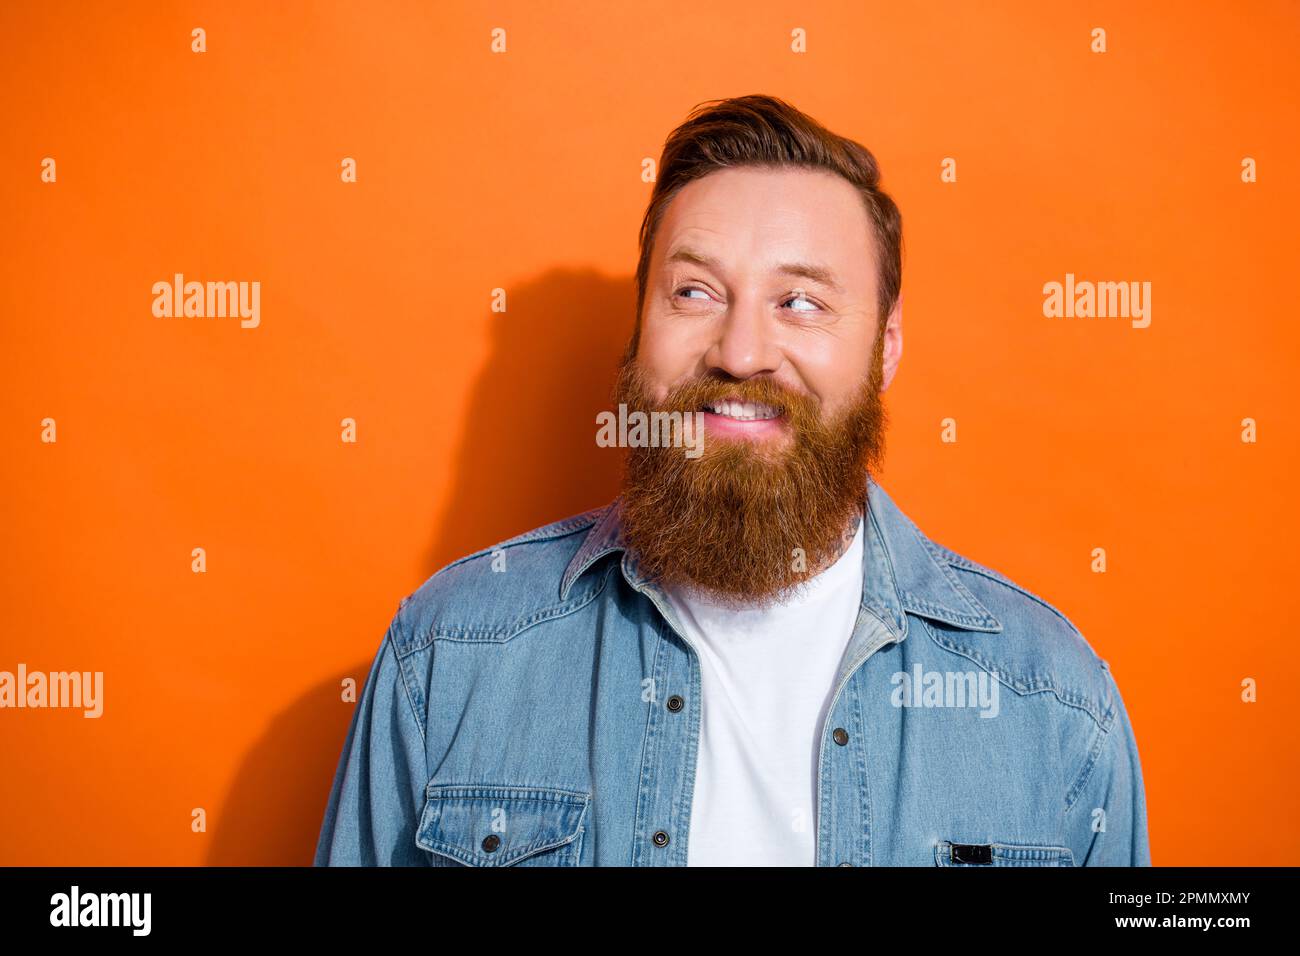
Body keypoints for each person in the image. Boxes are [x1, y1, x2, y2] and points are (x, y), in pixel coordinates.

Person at [314, 93, 1150, 867]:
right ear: (640, 326)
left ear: (885, 347)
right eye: (695, 292)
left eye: (801, 303)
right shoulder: (447, 658)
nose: (741, 351)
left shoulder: (1055, 704)